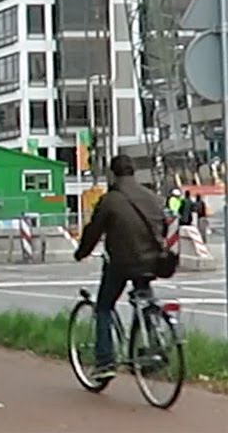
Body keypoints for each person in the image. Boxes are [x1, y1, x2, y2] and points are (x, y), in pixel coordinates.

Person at [73, 155, 166, 381]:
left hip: (122, 264)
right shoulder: (152, 197)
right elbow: (163, 226)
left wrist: (81, 253)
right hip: (153, 262)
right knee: (145, 300)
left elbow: (93, 231)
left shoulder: (110, 200)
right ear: (133, 172)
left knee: (104, 307)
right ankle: (152, 346)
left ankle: (105, 362)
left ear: (113, 174)